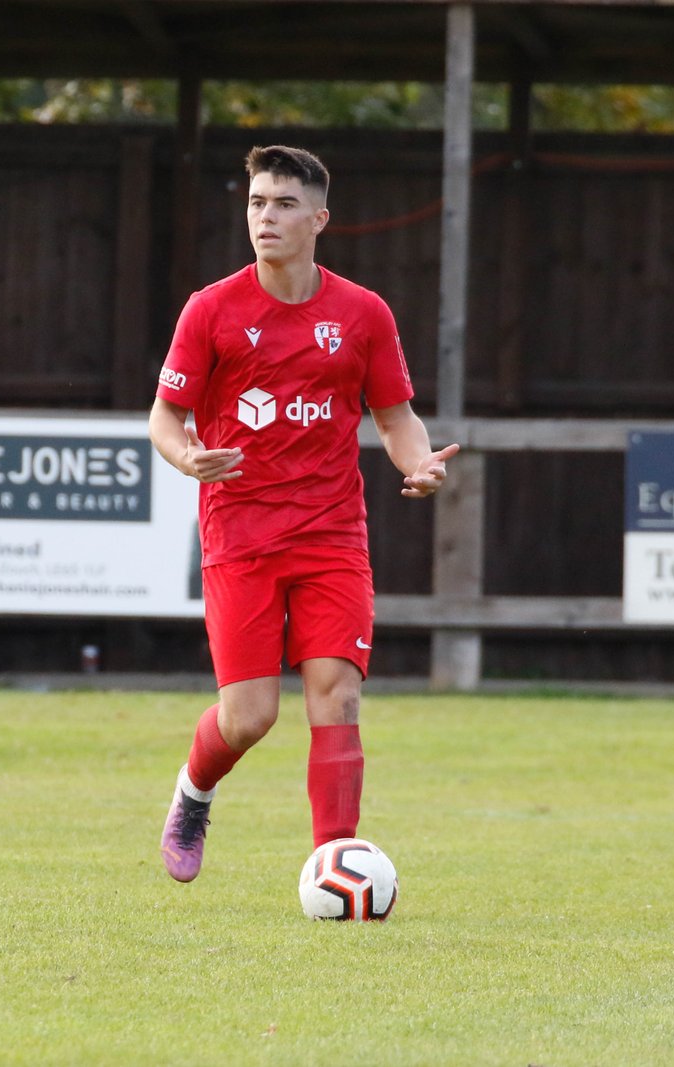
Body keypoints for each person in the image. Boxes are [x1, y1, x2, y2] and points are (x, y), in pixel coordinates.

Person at [150, 145, 458, 884]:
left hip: (331, 533)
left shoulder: (362, 313)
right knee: (250, 717)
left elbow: (395, 417)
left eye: (285, 204)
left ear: (319, 219)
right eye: (257, 202)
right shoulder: (211, 309)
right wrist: (187, 458)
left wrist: (418, 463)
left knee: (337, 695)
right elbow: (164, 417)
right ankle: (194, 792)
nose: (267, 217)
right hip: (240, 533)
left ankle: (334, 866)